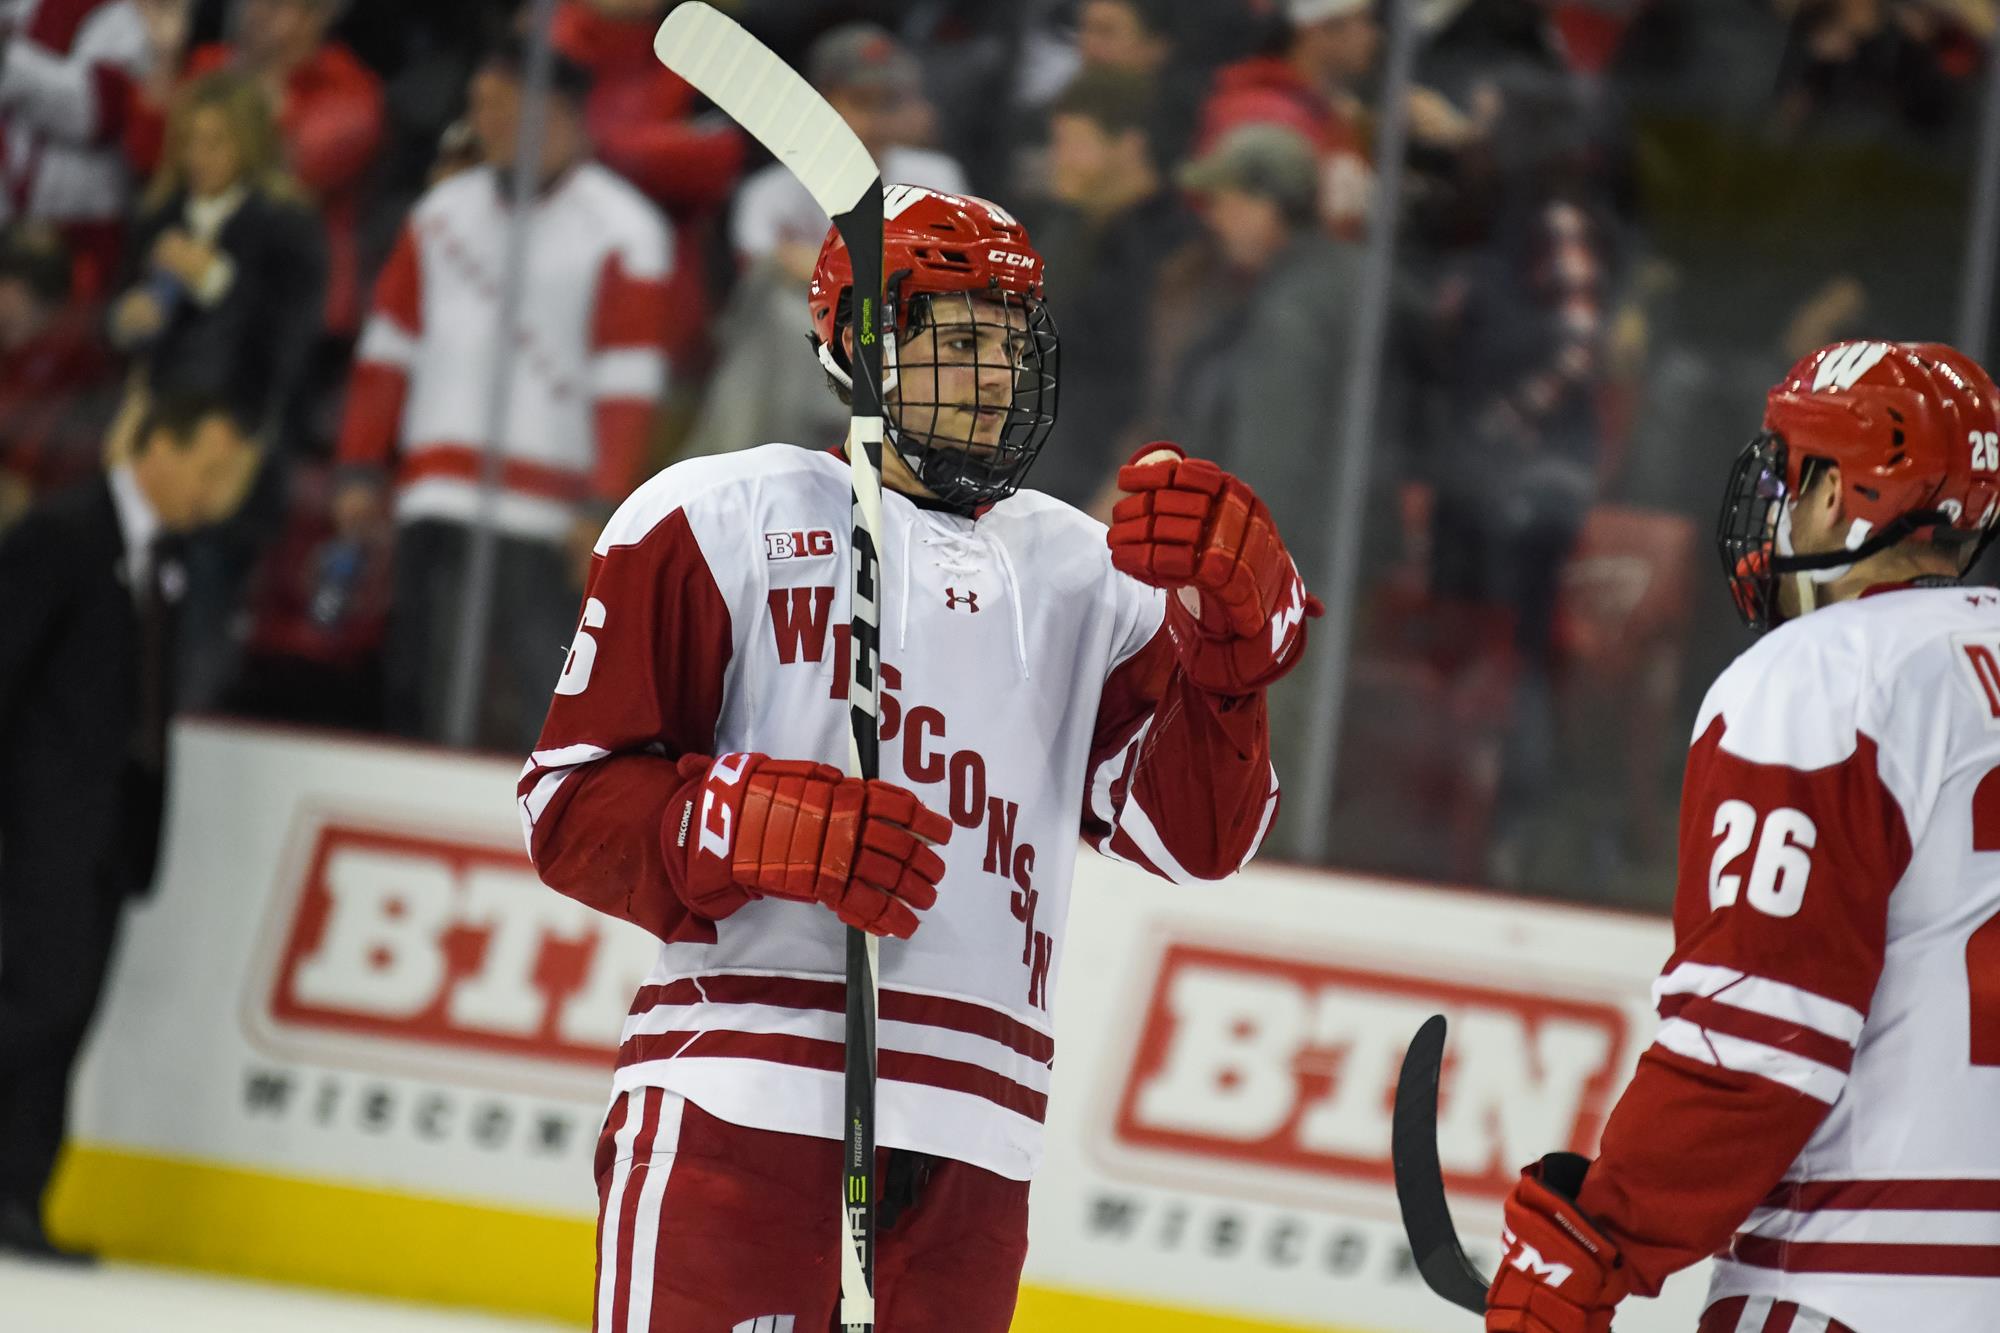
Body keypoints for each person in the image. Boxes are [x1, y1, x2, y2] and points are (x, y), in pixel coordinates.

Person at [518, 185, 1321, 1329]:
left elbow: (1200, 840)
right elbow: (569, 804)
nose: (993, 375)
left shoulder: (1090, 575)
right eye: (954, 340)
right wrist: (747, 822)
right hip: (742, 1098)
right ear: (854, 345)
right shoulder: (713, 517)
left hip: (974, 1149)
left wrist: (1231, 665)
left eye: (1008, 341)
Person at [1485, 340, 2000, 1333]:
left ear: (1845, 492)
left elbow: (1757, 1040)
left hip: (1859, 1281)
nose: (1771, 496)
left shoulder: (1822, 674)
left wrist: (1599, 1239)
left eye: (1790, 468)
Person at [333, 38, 671, 752]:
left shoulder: (624, 230)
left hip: (545, 515)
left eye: (493, 104)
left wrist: (600, 504)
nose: (477, 119)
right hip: (433, 493)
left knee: (532, 697)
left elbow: (628, 381)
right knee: (419, 688)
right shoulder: (440, 216)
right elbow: (390, 349)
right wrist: (361, 465)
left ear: (550, 111)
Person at [0, 390, 258, 1262]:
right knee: (28, 1007)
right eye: (211, 468)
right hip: (34, 831)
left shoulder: (167, 560)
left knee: (65, 1012)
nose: (218, 493)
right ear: (156, 446)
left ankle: (18, 1196)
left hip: (107, 836)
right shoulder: (63, 536)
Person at [1164, 122, 1359, 859]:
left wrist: (1230, 571)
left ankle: (1266, 855)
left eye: (1227, 201)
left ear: (1270, 204)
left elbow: (1272, 470)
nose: (1215, 219)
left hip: (1293, 571)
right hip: (1319, 557)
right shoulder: (1314, 282)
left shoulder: (1295, 307)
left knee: (1286, 720)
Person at [680, 22, 966, 461]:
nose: (874, 118)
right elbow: (761, 285)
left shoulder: (936, 178)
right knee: (779, 307)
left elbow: (946, 277)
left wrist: (828, 266)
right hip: (793, 365)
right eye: (858, 102)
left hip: (902, 354)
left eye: (887, 103)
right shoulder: (769, 191)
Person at [1020, 66, 1200, 508]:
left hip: (1102, 495)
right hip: (1034, 478)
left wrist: (1125, 488)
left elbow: (1167, 391)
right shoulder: (1065, 229)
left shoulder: (1174, 251)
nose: (1058, 157)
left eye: (1073, 143)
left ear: (1129, 147)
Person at [0, 0, 157, 293]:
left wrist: (10, 62)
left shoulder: (117, 13)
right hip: (12, 218)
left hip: (82, 226)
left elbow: (100, 112)